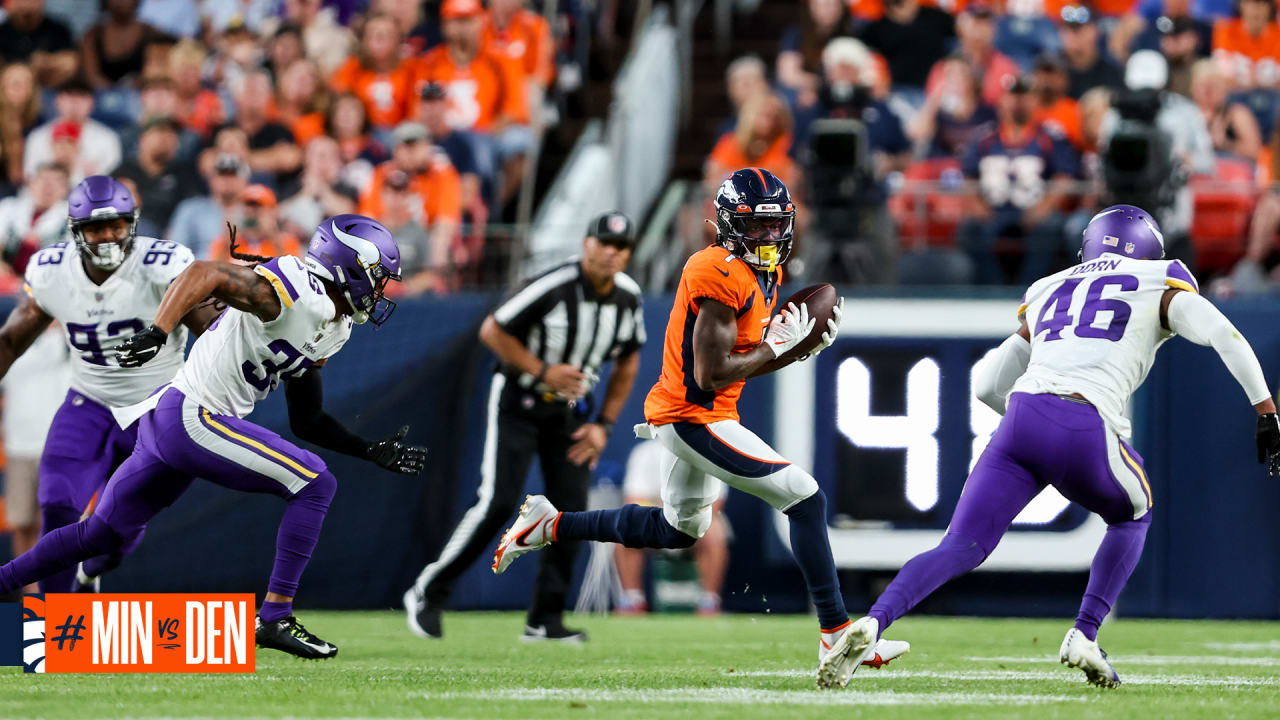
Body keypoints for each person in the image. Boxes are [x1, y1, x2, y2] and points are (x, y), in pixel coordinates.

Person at [491, 169, 908, 688]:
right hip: (693, 416)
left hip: (703, 414)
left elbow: (743, 361)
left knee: (679, 529)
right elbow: (711, 375)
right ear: (728, 227)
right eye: (755, 228)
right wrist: (780, 348)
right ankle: (834, 633)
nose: (767, 238)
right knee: (805, 497)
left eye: (775, 226)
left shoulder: (764, 273)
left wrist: (786, 352)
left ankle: (549, 525)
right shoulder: (715, 270)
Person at [841, 204, 1280, 687]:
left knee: (960, 544)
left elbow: (987, 384)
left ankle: (873, 622)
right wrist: (1266, 411)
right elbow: (1225, 333)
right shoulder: (1161, 278)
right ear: (1149, 249)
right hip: (1082, 420)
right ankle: (1085, 633)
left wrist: (1034, 423)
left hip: (1022, 418)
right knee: (1135, 513)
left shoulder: (1049, 285)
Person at [0, 214, 428, 660]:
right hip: (192, 417)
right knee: (316, 483)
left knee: (99, 534)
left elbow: (308, 418)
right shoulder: (297, 290)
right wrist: (158, 330)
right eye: (377, 278)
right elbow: (203, 273)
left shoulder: (334, 327)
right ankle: (276, 617)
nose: (381, 291)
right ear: (350, 267)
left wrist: (369, 450)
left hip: (178, 422)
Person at [404, 212, 646, 642]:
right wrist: (542, 369)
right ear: (587, 244)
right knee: (497, 502)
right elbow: (492, 330)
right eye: (604, 243)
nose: (611, 253)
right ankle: (428, 591)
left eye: (621, 246)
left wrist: (604, 424)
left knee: (570, 512)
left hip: (570, 412)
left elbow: (628, 359)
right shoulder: (554, 285)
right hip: (518, 398)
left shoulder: (628, 296)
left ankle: (544, 620)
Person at [0, 176, 219, 593]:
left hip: (156, 412)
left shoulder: (161, 265)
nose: (107, 235)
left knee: (117, 531)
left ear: (131, 223)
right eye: (96, 227)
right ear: (75, 230)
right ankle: (52, 633)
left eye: (116, 225)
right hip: (90, 404)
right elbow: (11, 339)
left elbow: (213, 329)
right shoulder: (53, 273)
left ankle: (90, 574)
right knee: (58, 504)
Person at [958, 75, 1079, 285]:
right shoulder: (985, 137)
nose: (1018, 102)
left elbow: (1064, 177)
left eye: (1024, 96)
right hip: (993, 211)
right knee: (970, 229)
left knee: (1049, 228)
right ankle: (991, 291)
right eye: (1014, 96)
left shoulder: (1050, 136)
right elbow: (968, 175)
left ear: (1034, 100)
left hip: (1034, 211)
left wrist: (1044, 207)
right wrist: (977, 206)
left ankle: (1029, 291)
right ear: (1003, 100)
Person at [613, 439, 728, 616]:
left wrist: (682, 516)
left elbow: (714, 504)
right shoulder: (645, 452)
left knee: (714, 530)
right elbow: (634, 500)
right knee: (628, 526)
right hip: (657, 522)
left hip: (696, 523)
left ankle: (709, 602)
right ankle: (633, 600)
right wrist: (667, 515)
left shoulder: (710, 452)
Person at [0, 325, 69, 593]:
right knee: (22, 523)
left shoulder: (65, 342)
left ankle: (51, 598)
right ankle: (30, 599)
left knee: (50, 528)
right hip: (18, 449)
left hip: (54, 449)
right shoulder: (10, 345)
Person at [23, 78, 124, 184]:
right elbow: (29, 176)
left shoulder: (107, 137)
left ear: (92, 103)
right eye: (69, 96)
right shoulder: (38, 136)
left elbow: (112, 179)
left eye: (81, 97)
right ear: (57, 101)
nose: (75, 103)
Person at [0, 0, 77, 88]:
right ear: (11, 4)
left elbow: (71, 60)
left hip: (49, 86)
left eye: (32, 1)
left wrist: (48, 61)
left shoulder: (58, 30)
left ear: (41, 2)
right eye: (21, 1)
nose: (26, 5)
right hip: (10, 88)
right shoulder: (2, 32)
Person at [1058, 5, 1125, 99]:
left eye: (1080, 29)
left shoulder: (1111, 72)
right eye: (1069, 29)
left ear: (1095, 31)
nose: (1075, 35)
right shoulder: (1053, 70)